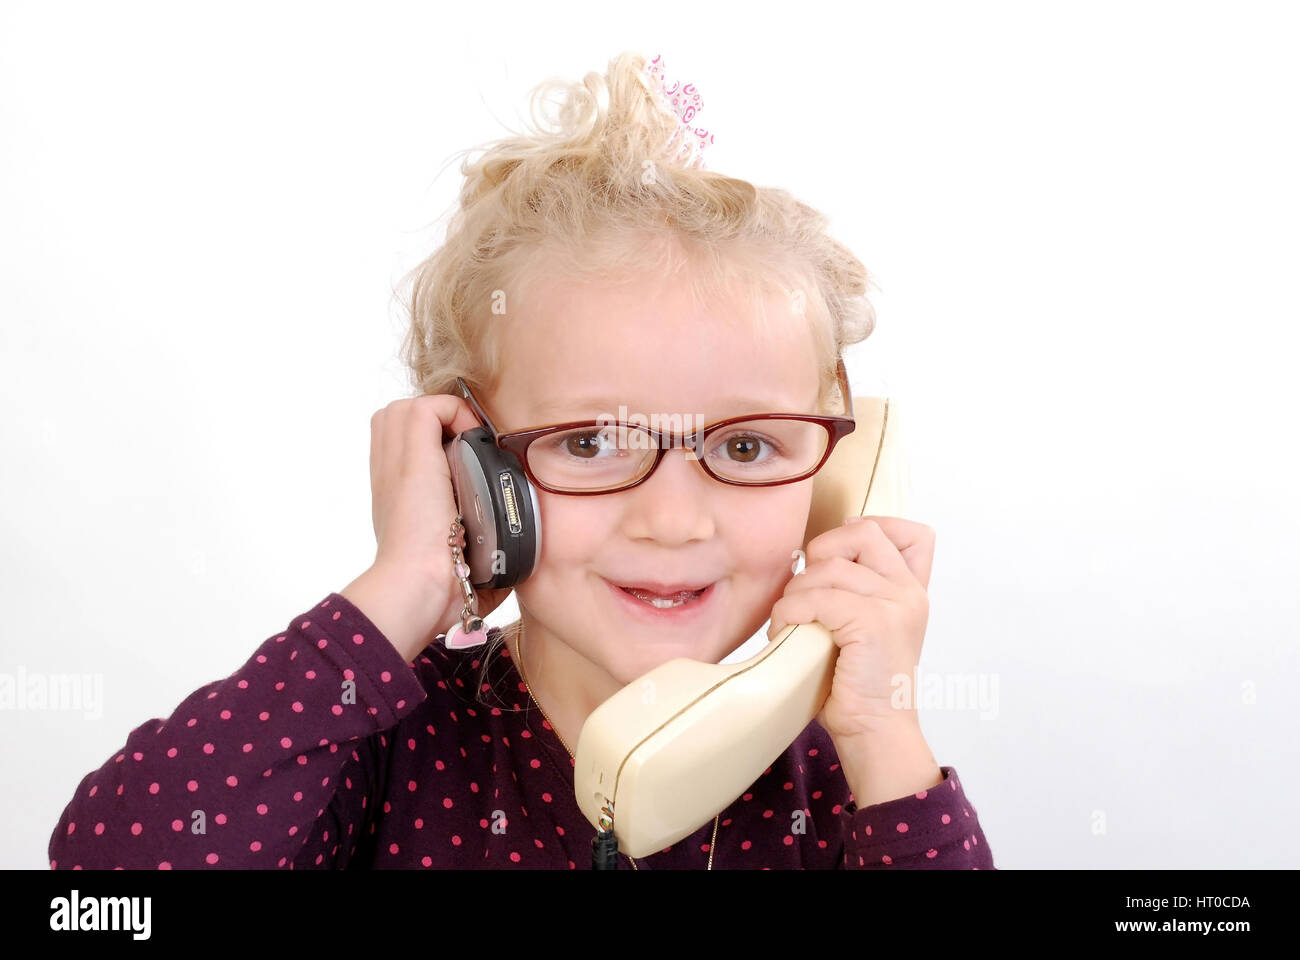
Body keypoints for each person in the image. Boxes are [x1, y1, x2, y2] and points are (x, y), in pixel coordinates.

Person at [48, 51, 994, 870]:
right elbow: (109, 876)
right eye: (589, 442)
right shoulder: (378, 743)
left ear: (833, 476)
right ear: (471, 470)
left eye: (745, 446)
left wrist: (885, 743)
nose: (673, 521)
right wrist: (401, 592)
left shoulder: (840, 790)